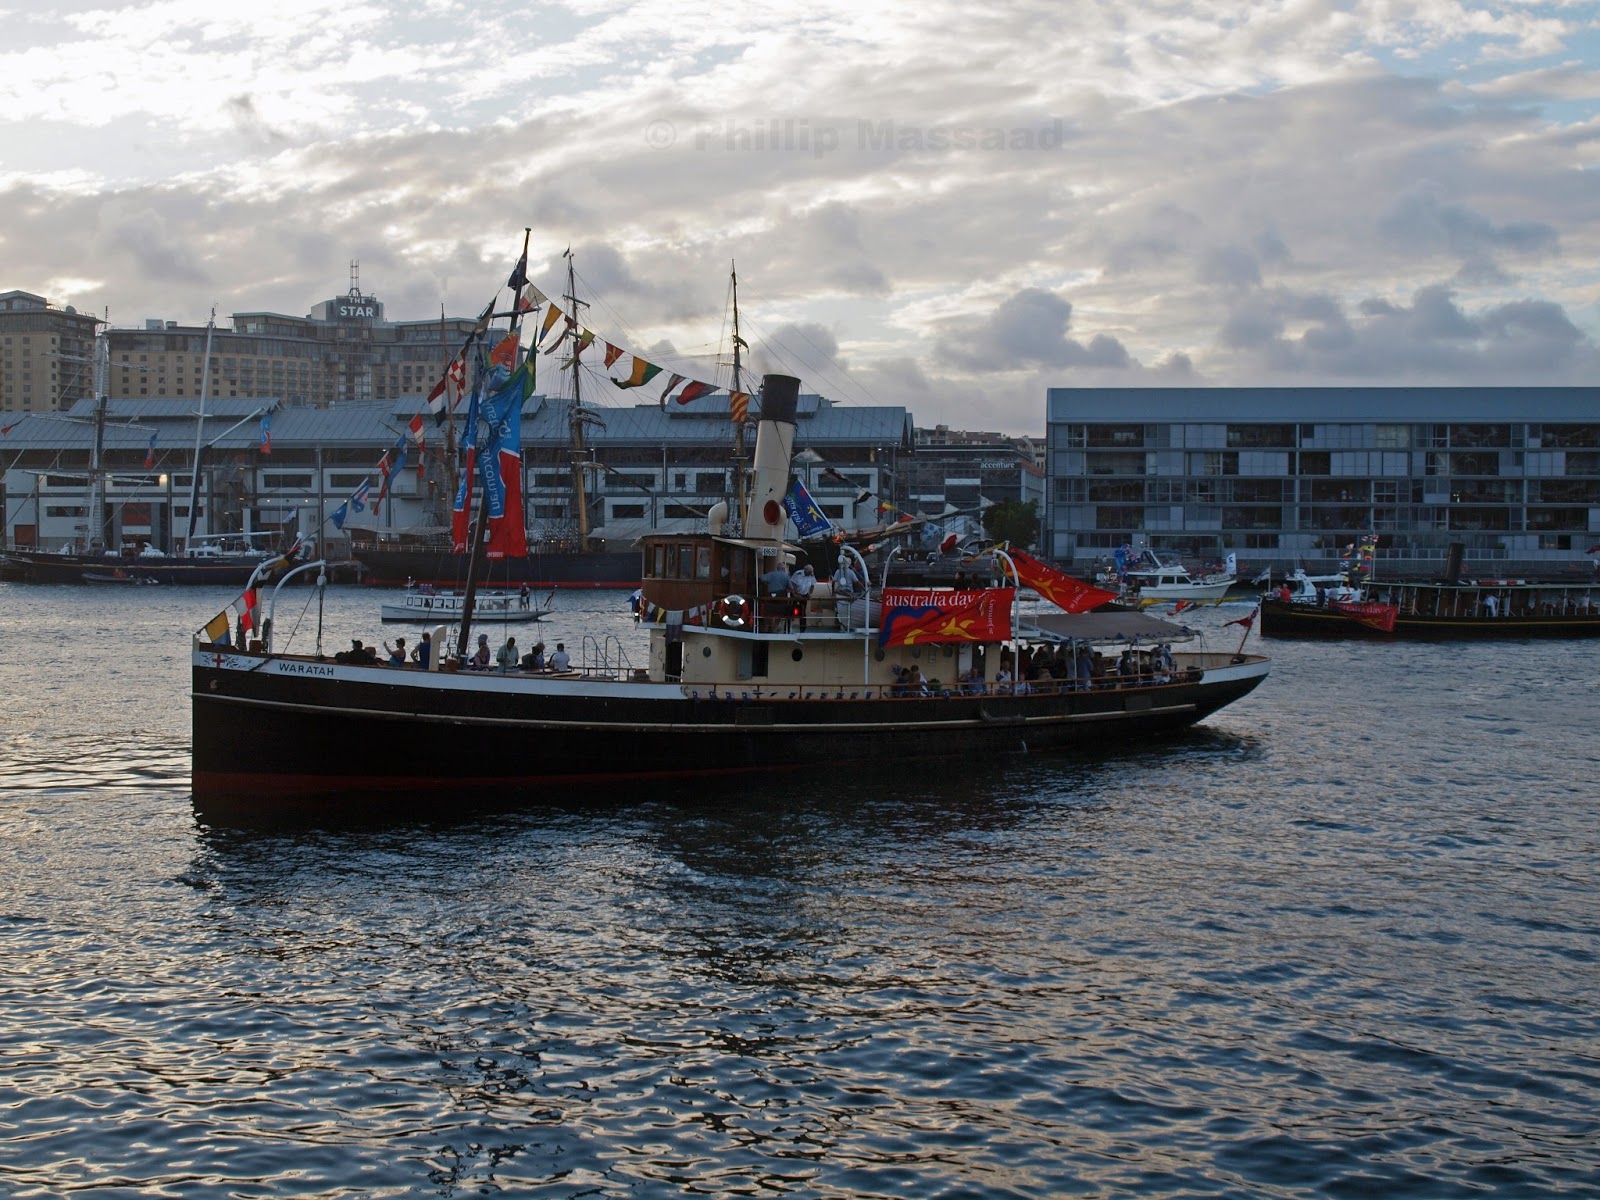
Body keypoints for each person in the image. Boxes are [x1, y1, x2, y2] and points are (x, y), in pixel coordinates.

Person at [789, 563, 816, 629]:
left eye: (811, 572)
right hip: (795, 595)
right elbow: (793, 583)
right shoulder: (798, 574)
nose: (810, 574)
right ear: (805, 570)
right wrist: (795, 593)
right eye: (809, 572)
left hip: (804, 595)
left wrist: (810, 594)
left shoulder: (812, 576)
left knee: (803, 612)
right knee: (791, 611)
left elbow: (812, 585)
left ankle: (803, 628)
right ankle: (788, 628)